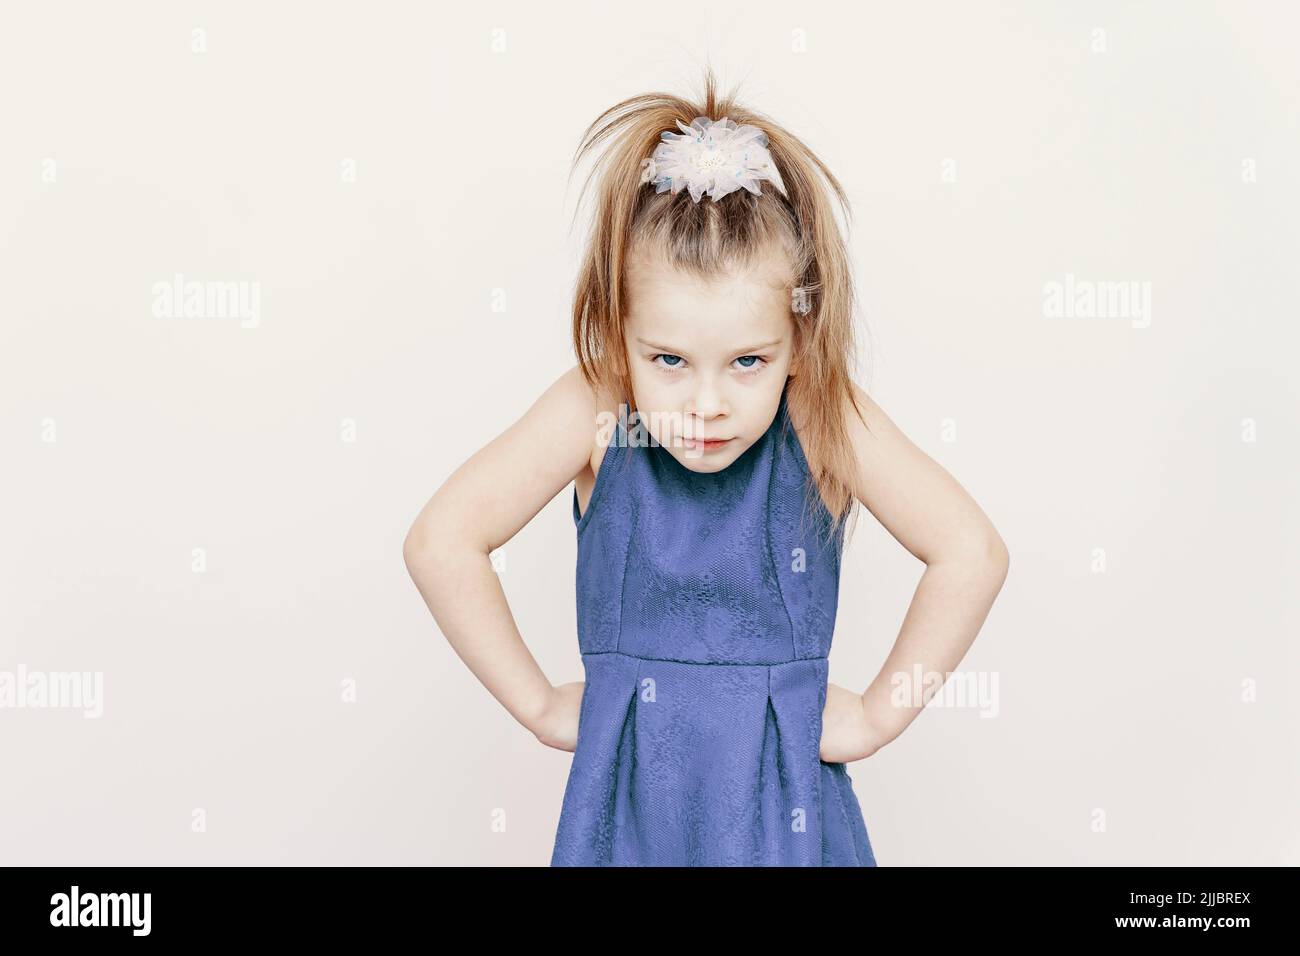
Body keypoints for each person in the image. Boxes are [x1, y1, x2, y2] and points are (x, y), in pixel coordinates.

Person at [403, 69, 1010, 866]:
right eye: (669, 359)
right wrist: (543, 705)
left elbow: (972, 551)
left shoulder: (821, 414)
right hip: (631, 811)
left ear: (801, 341)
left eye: (749, 360)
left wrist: (877, 717)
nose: (707, 402)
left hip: (782, 812)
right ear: (617, 333)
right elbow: (442, 540)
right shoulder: (597, 407)